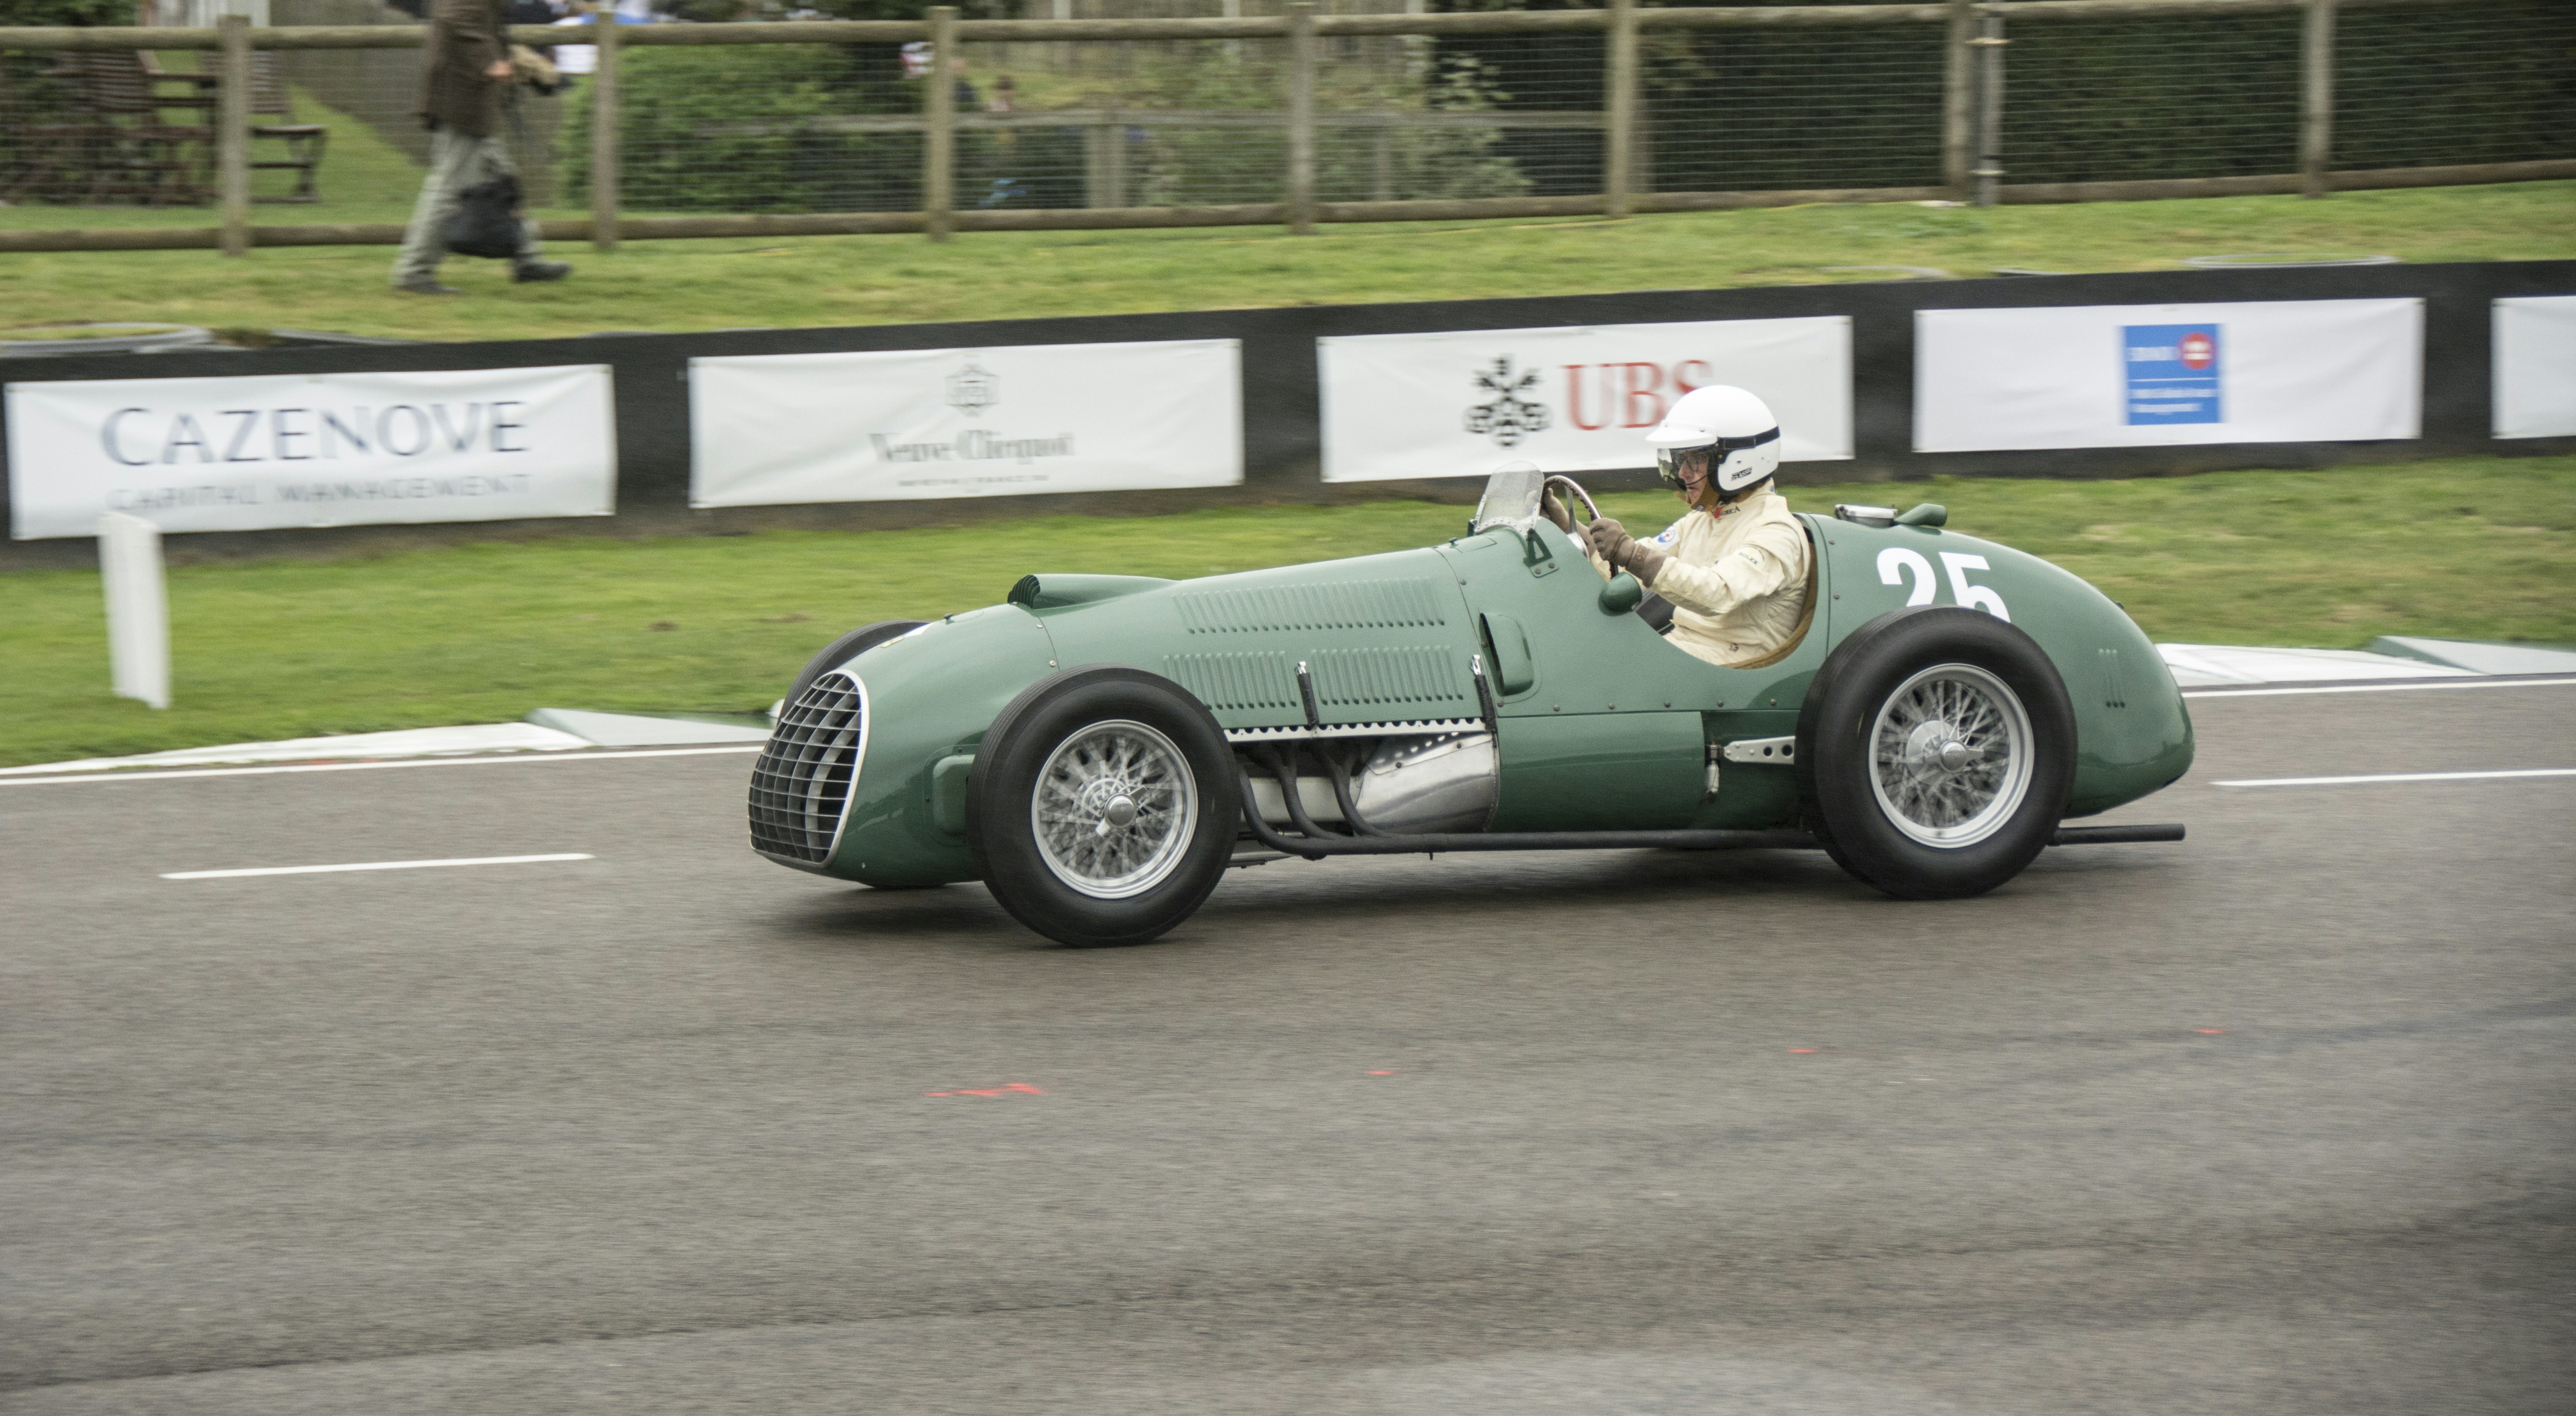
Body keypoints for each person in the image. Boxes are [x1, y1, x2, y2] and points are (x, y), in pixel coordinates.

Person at [1552, 384, 1813, 669]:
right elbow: (1632, 567)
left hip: (1732, 667)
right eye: (1681, 460)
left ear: (1740, 462)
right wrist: (1566, 525)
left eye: (1697, 461)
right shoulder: (1705, 518)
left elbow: (1716, 593)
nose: (1684, 472)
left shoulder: (1777, 531)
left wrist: (1631, 553)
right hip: (1685, 649)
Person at [391, 0, 571, 294]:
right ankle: (414, 272)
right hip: (462, 97)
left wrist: (516, 61)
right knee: (449, 188)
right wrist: (490, 61)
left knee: (504, 179)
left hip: (472, 96)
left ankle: (527, 261)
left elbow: (482, 24)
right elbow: (454, 17)